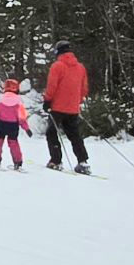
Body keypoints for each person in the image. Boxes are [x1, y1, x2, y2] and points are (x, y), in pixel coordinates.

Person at [42, 41, 91, 174]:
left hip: (57, 107)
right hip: (73, 108)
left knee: (51, 133)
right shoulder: (80, 67)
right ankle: (83, 161)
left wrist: (47, 101)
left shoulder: (57, 66)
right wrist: (77, 101)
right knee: (75, 135)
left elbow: (52, 86)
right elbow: (84, 88)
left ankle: (56, 160)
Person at [0, 78, 33, 169]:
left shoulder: (0, 103)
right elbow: (22, 119)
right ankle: (18, 162)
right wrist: (27, 129)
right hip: (13, 126)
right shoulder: (19, 105)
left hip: (1, 125)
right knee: (14, 144)